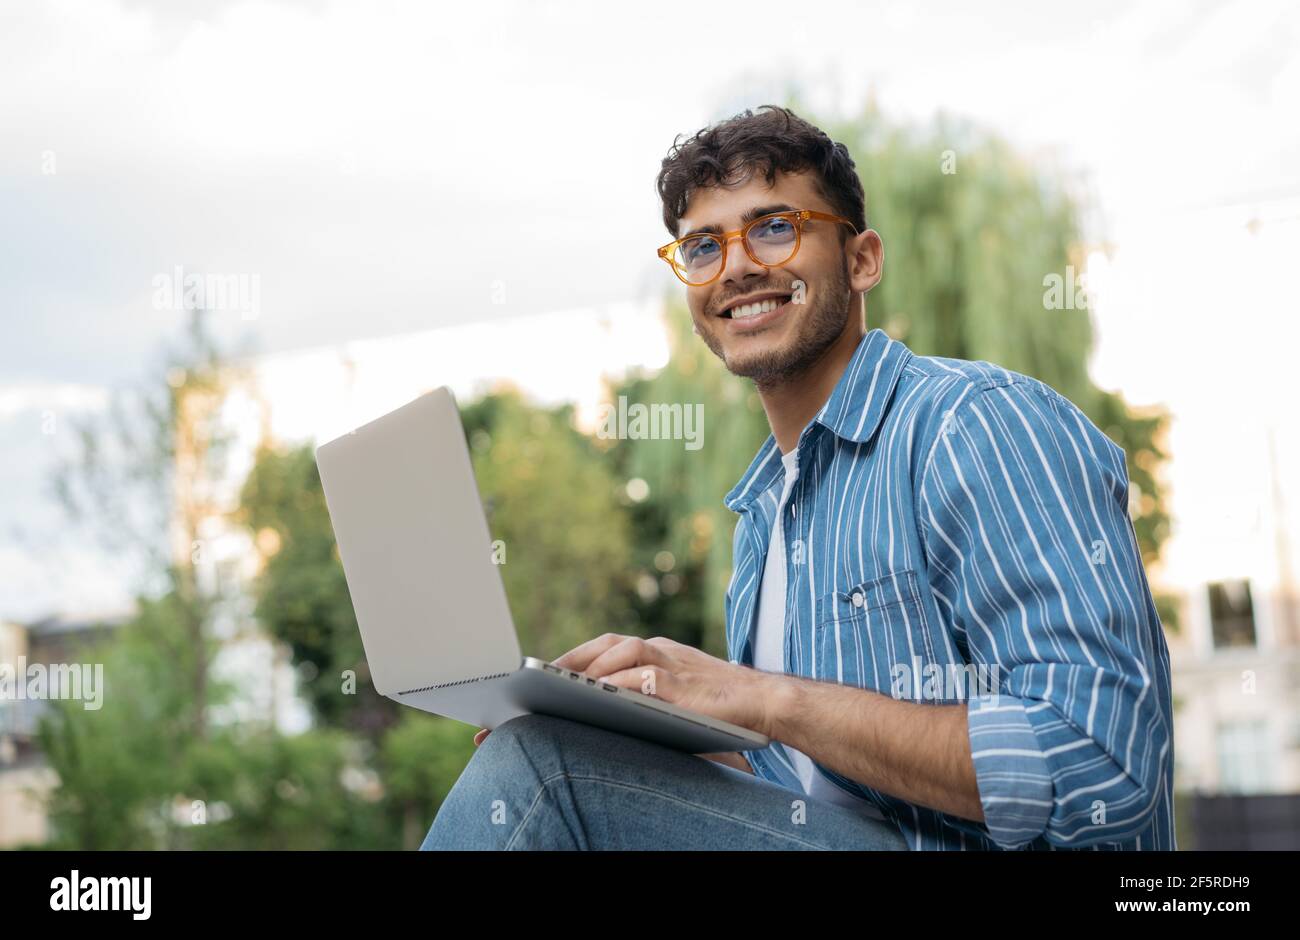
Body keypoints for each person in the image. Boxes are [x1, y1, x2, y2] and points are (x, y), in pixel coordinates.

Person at [422, 105, 1174, 851]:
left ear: (862, 260)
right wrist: (635, 729)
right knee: (556, 755)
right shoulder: (763, 514)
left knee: (541, 773)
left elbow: (1102, 765)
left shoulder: (973, 425)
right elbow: (802, 796)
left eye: (775, 227)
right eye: (704, 246)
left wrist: (764, 698)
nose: (739, 266)